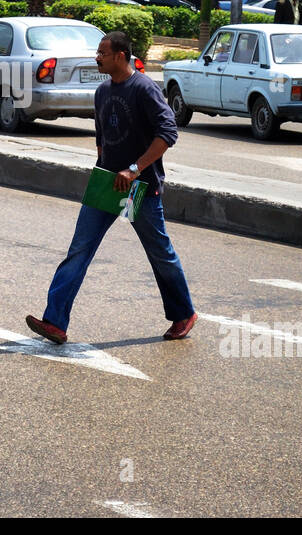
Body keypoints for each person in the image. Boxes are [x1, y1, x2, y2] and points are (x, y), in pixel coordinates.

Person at [25, 31, 197, 346]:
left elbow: (169, 132)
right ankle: (55, 322)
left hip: (139, 188)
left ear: (120, 55)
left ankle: (184, 313)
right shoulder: (102, 92)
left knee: (159, 252)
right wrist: (103, 169)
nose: (97, 57)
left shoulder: (144, 89)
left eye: (102, 52)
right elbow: (102, 138)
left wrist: (135, 169)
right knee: (79, 250)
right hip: (107, 185)